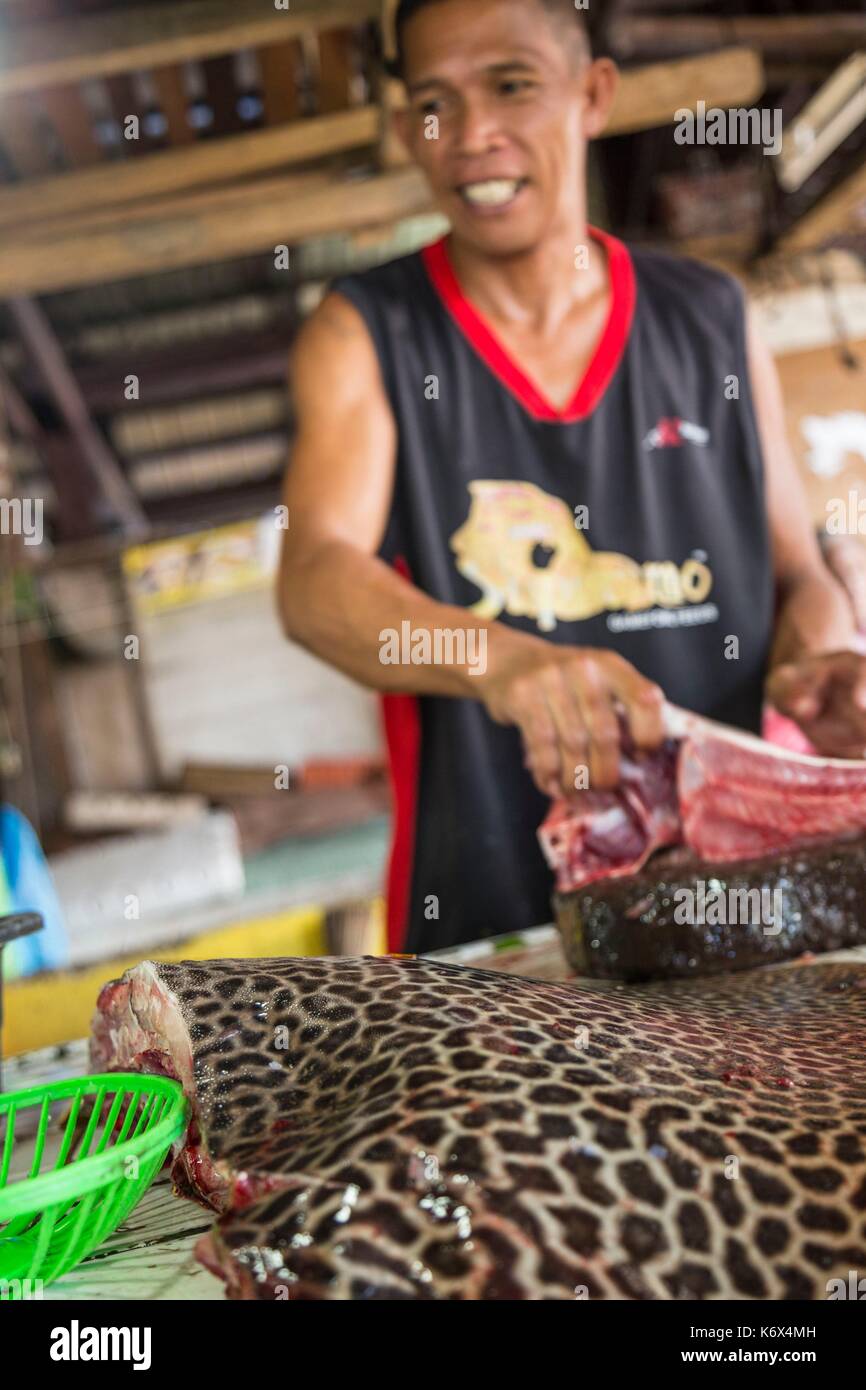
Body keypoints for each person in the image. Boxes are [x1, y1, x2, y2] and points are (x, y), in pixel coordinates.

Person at [278, 0, 866, 954]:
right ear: (403, 132)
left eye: (512, 86)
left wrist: (819, 659)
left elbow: (798, 572)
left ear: (593, 94)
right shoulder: (367, 332)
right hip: (492, 927)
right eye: (433, 105)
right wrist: (504, 662)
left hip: (723, 905)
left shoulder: (711, 316)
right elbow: (314, 581)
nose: (472, 136)